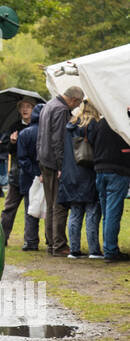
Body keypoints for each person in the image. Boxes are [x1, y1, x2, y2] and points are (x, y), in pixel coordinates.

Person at [36, 86, 84, 255]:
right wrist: (61, 165)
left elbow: (41, 136)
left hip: (43, 159)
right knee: (59, 205)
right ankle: (59, 245)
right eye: (77, 104)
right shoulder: (62, 109)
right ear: (74, 100)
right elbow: (59, 139)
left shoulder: (48, 105)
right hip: (53, 162)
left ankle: (51, 243)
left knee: (50, 205)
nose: (76, 108)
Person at [83, 111, 130, 262]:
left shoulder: (99, 124)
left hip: (100, 170)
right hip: (117, 171)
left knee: (106, 213)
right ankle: (110, 251)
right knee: (113, 213)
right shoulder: (121, 124)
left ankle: (108, 248)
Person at [60, 103, 102, 259]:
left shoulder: (70, 124)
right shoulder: (92, 124)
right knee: (92, 211)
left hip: (70, 173)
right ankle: (94, 250)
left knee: (75, 213)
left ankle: (74, 250)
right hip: (87, 172)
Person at [0, 96, 38, 244]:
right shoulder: (14, 126)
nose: (25, 109)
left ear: (34, 109)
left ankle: (30, 241)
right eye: (22, 107)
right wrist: (13, 142)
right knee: (9, 207)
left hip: (32, 173)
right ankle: (1, 238)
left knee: (31, 208)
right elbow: (8, 150)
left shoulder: (38, 126)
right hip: (16, 173)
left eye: (28, 106)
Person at [16, 102, 43, 251]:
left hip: (28, 176)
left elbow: (22, 158)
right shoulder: (49, 132)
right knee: (50, 209)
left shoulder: (25, 133)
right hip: (47, 175)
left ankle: (31, 241)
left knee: (30, 209)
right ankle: (52, 240)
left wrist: (34, 172)